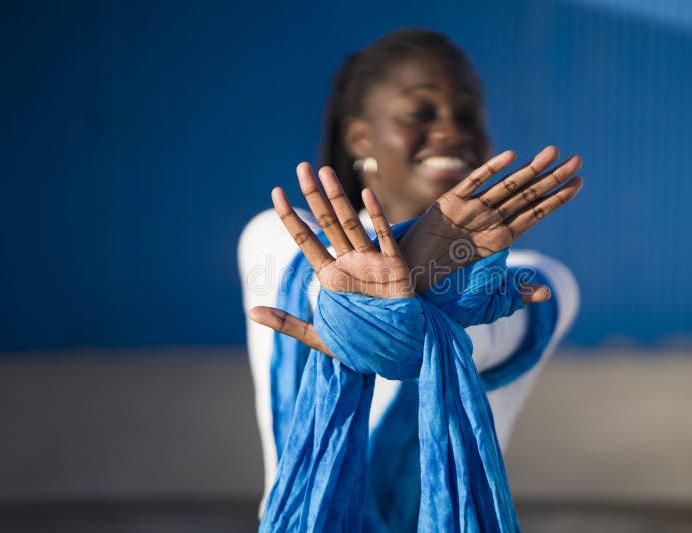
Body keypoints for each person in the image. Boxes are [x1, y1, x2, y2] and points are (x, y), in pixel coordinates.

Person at [238, 28, 582, 519]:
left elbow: (483, 341)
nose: (451, 130)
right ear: (360, 137)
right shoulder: (277, 238)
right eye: (421, 113)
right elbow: (318, 290)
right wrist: (389, 292)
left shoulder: (534, 280)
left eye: (467, 115)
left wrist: (423, 294)